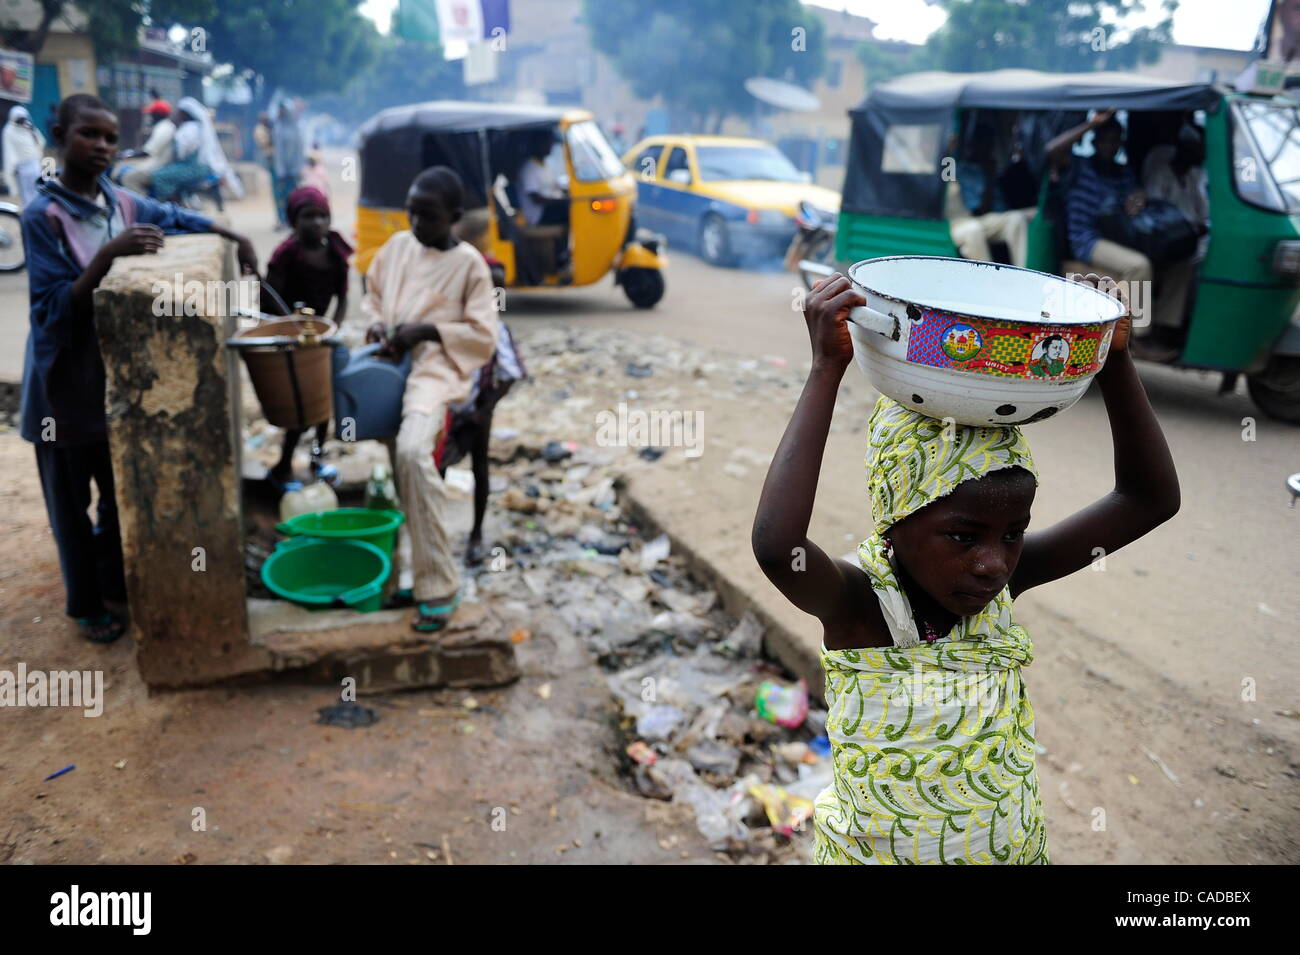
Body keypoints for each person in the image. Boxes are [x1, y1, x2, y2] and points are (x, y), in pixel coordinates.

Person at [751, 272, 1180, 864]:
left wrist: (1115, 359)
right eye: (962, 536)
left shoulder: (1004, 585)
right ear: (895, 518)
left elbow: (1148, 501)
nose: (993, 564)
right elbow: (778, 547)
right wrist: (826, 369)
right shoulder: (864, 607)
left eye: (1013, 534)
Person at [19, 94, 258, 643]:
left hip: (106, 379)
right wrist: (108, 257)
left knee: (113, 490)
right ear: (60, 135)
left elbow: (173, 216)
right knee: (70, 503)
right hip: (60, 385)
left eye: (108, 138)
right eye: (88, 135)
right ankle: (86, 606)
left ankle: (111, 581)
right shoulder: (44, 216)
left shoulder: (119, 201)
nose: (101, 147)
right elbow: (52, 310)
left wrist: (233, 235)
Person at [361, 165, 498, 632]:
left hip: (436, 373)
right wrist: (380, 324)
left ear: (455, 216)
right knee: (402, 476)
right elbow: (373, 290)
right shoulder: (399, 246)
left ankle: (439, 586)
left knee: (414, 453)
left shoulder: (470, 267)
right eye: (411, 213)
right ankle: (415, 578)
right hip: (388, 366)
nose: (416, 224)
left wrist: (428, 330)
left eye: (428, 216)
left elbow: (483, 337)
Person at [1047, 110, 1193, 356]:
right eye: (1105, 139)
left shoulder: (1123, 173)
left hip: (1122, 238)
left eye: (1115, 140)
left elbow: (1135, 198)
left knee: (1182, 262)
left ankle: (1165, 329)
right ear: (1094, 142)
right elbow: (1052, 150)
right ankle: (1137, 337)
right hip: (1088, 240)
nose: (1110, 145)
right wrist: (1091, 124)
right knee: (1139, 266)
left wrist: (1139, 198)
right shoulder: (1079, 167)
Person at [263, 185, 353, 487]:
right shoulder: (287, 253)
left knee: (323, 404)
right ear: (293, 220)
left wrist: (332, 329)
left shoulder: (336, 251)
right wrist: (291, 323)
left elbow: (342, 298)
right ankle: (283, 465)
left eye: (322, 216)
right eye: (308, 216)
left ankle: (317, 458)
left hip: (320, 337)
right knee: (299, 407)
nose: (316, 223)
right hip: (290, 338)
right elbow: (268, 295)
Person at [435, 319, 525, 566]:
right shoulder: (449, 319)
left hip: (477, 408)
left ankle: (476, 534)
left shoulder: (495, 328)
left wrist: (484, 409)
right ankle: (437, 531)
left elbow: (511, 373)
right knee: (438, 467)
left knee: (479, 467)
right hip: (443, 406)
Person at [944, 123, 1036, 268]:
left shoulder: (983, 170)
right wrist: (947, 151)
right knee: (973, 230)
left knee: (1015, 219)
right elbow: (946, 168)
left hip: (974, 219)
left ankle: (1023, 274)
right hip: (956, 224)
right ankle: (988, 278)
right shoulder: (950, 169)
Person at [1143, 123, 1210, 258]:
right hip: (1173, 240)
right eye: (1198, 150)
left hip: (1193, 237)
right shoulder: (1160, 176)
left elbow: (1202, 215)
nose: (1202, 156)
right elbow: (1156, 215)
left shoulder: (1193, 176)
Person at [117, 101, 175, 195]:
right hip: (156, 160)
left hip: (159, 164)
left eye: (151, 113)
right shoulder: (163, 126)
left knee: (128, 178)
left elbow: (147, 152)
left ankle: (146, 204)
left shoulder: (164, 129)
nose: (150, 116)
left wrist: (126, 155)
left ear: (158, 114)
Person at [3, 105, 46, 206]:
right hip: (22, 168)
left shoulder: (28, 127)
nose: (22, 121)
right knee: (26, 194)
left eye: (23, 118)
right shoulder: (8, 131)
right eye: (20, 119)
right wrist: (11, 169)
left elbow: (41, 142)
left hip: (35, 164)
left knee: (38, 190)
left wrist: (33, 131)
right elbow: (9, 152)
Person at [272, 100, 304, 230]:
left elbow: (300, 149)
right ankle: (281, 219)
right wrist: (280, 170)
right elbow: (277, 151)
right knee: (279, 196)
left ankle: (292, 219)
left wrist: (299, 168)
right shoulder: (277, 127)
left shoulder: (296, 127)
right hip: (279, 169)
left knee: (293, 195)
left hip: (293, 170)